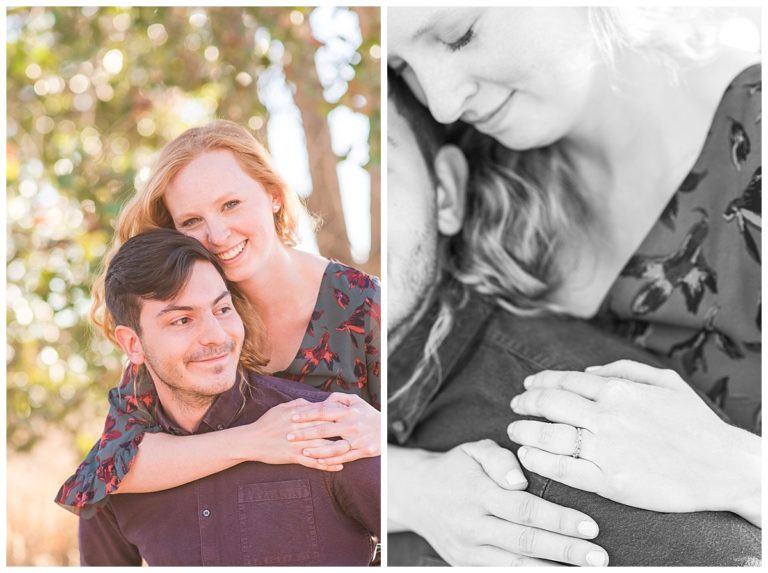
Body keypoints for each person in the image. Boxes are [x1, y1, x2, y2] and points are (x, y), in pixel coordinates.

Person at [388, 4, 761, 553]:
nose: (442, 101)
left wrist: (742, 472)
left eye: (459, 35)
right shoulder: (470, 158)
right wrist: (411, 487)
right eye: (403, 68)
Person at [55, 120, 380, 516]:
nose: (218, 235)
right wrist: (254, 440)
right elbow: (106, 469)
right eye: (191, 221)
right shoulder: (184, 322)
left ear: (274, 196)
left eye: (231, 205)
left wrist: (383, 432)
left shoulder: (364, 306)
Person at [76, 229, 379, 566]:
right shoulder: (117, 477)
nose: (216, 336)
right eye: (182, 320)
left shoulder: (321, 427)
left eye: (222, 309)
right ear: (133, 344)